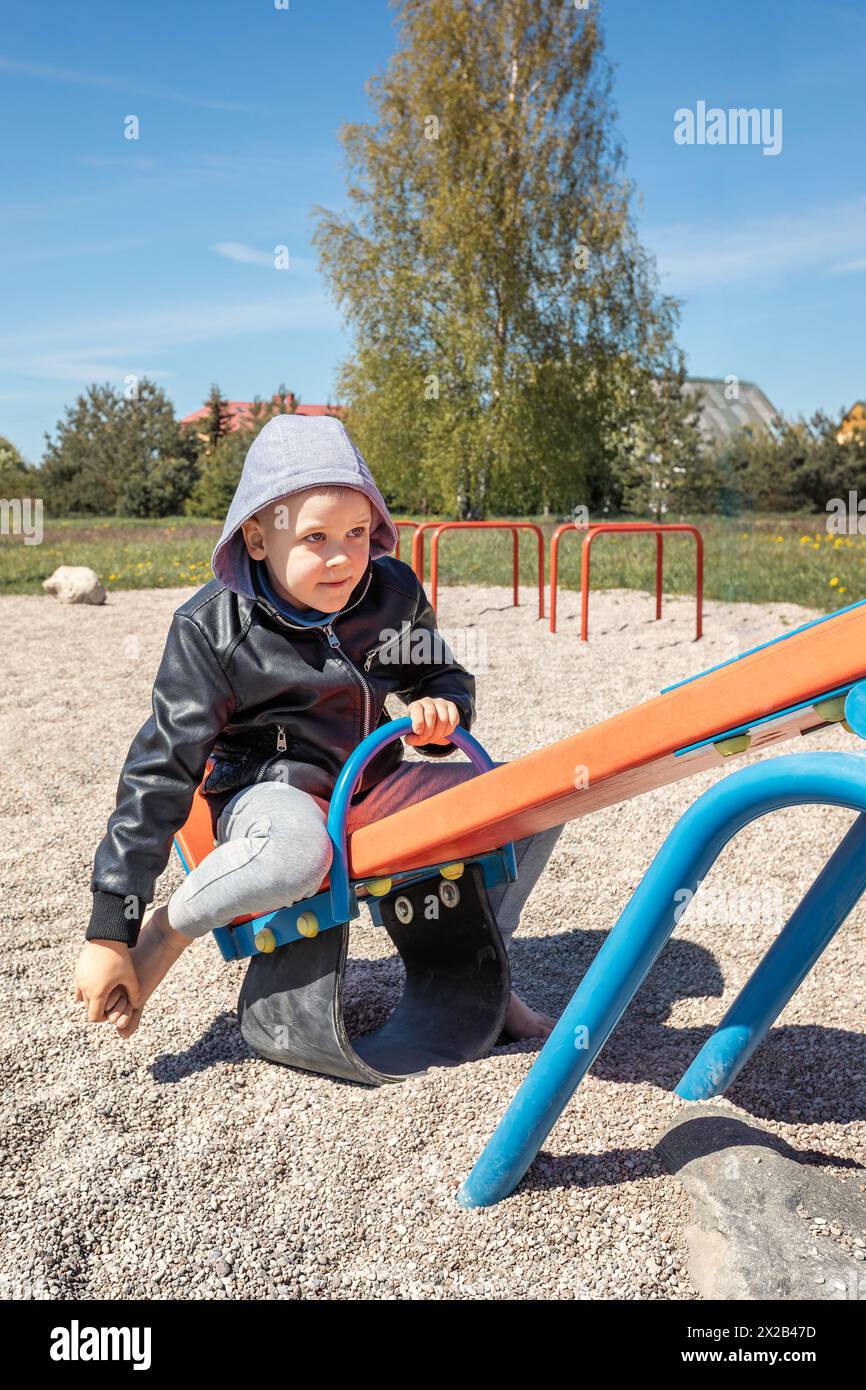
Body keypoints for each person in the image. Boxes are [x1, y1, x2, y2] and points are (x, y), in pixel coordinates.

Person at [74, 413, 563, 1044]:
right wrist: (112, 926)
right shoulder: (213, 630)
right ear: (257, 539)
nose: (342, 558)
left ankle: (482, 973)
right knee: (301, 854)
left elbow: (437, 675)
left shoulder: (389, 594)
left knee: (536, 799)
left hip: (371, 779)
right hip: (271, 790)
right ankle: (171, 930)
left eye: (357, 532)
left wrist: (441, 713)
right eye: (315, 539)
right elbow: (159, 771)